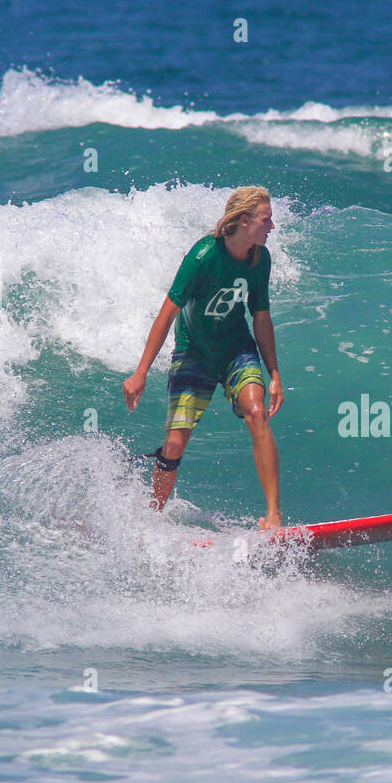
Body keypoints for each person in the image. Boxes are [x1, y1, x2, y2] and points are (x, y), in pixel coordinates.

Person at [123, 187, 284, 529]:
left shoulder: (259, 259)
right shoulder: (204, 255)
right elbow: (167, 314)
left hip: (236, 350)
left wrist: (274, 374)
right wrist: (140, 373)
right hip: (193, 351)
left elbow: (261, 318)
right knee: (176, 442)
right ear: (244, 221)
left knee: (257, 413)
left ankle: (273, 516)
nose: (272, 226)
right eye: (266, 219)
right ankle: (152, 517)